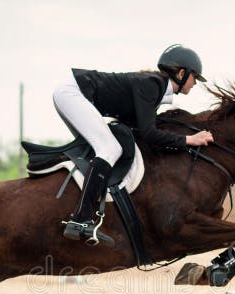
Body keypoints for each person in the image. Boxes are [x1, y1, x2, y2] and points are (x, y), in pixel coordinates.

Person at [53, 44, 214, 245]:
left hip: (72, 92)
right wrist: (189, 139)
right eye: (195, 77)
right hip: (73, 93)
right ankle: (81, 220)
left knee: (102, 149)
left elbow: (139, 129)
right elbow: (149, 133)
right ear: (182, 73)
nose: (195, 83)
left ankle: (82, 213)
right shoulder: (152, 84)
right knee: (110, 148)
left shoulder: (154, 87)